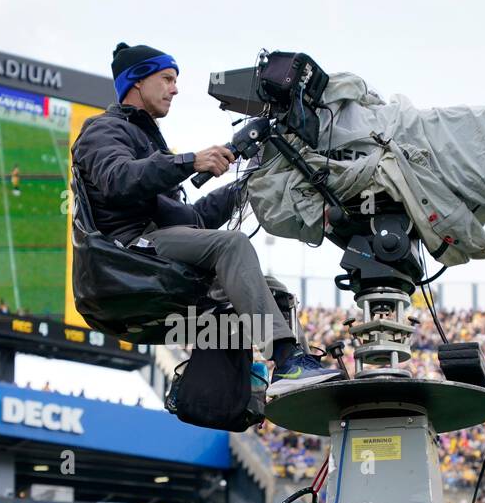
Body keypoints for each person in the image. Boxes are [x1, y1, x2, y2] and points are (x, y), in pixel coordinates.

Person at [72, 42, 340, 395]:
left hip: (156, 247)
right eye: (167, 78)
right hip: (127, 253)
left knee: (275, 292)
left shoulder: (148, 141)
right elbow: (117, 179)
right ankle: (286, 361)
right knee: (232, 244)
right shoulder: (104, 129)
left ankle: (298, 377)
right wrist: (189, 162)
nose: (175, 88)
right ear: (136, 82)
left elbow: (194, 219)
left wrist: (248, 181)